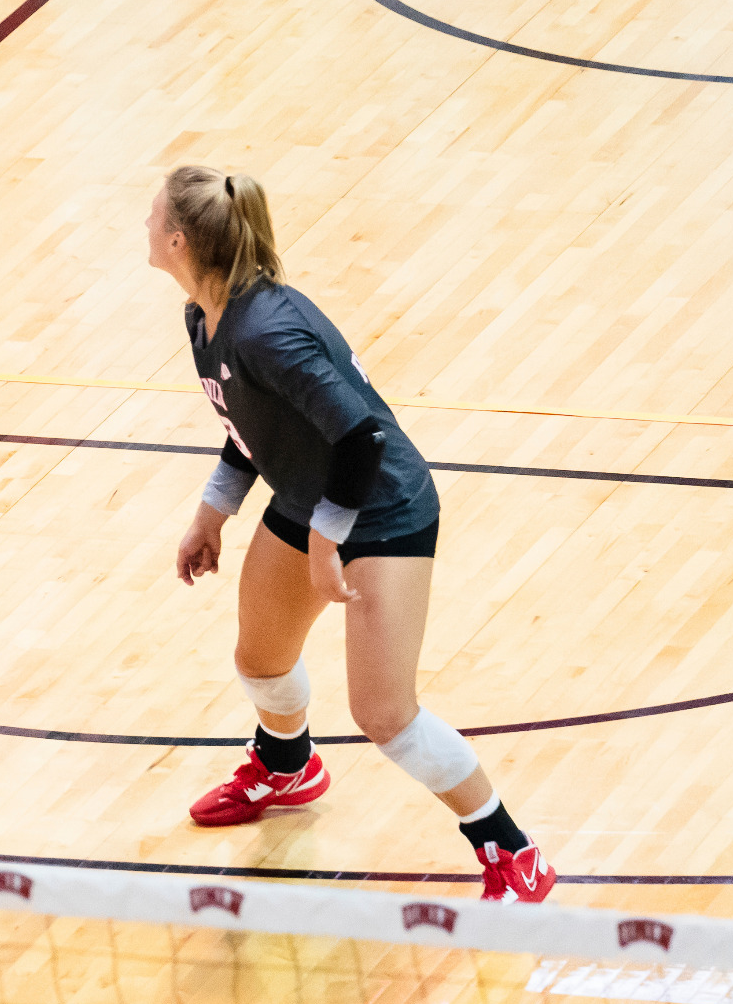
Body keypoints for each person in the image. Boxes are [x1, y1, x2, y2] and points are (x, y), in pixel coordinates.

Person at [148, 166, 556, 903]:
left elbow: (362, 439)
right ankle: (286, 763)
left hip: (384, 508)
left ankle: (511, 849)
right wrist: (212, 513)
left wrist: (328, 538)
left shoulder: (267, 331)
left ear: (178, 239)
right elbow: (254, 431)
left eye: (151, 219)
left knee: (383, 712)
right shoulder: (202, 317)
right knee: (260, 655)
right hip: (312, 496)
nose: (143, 228)